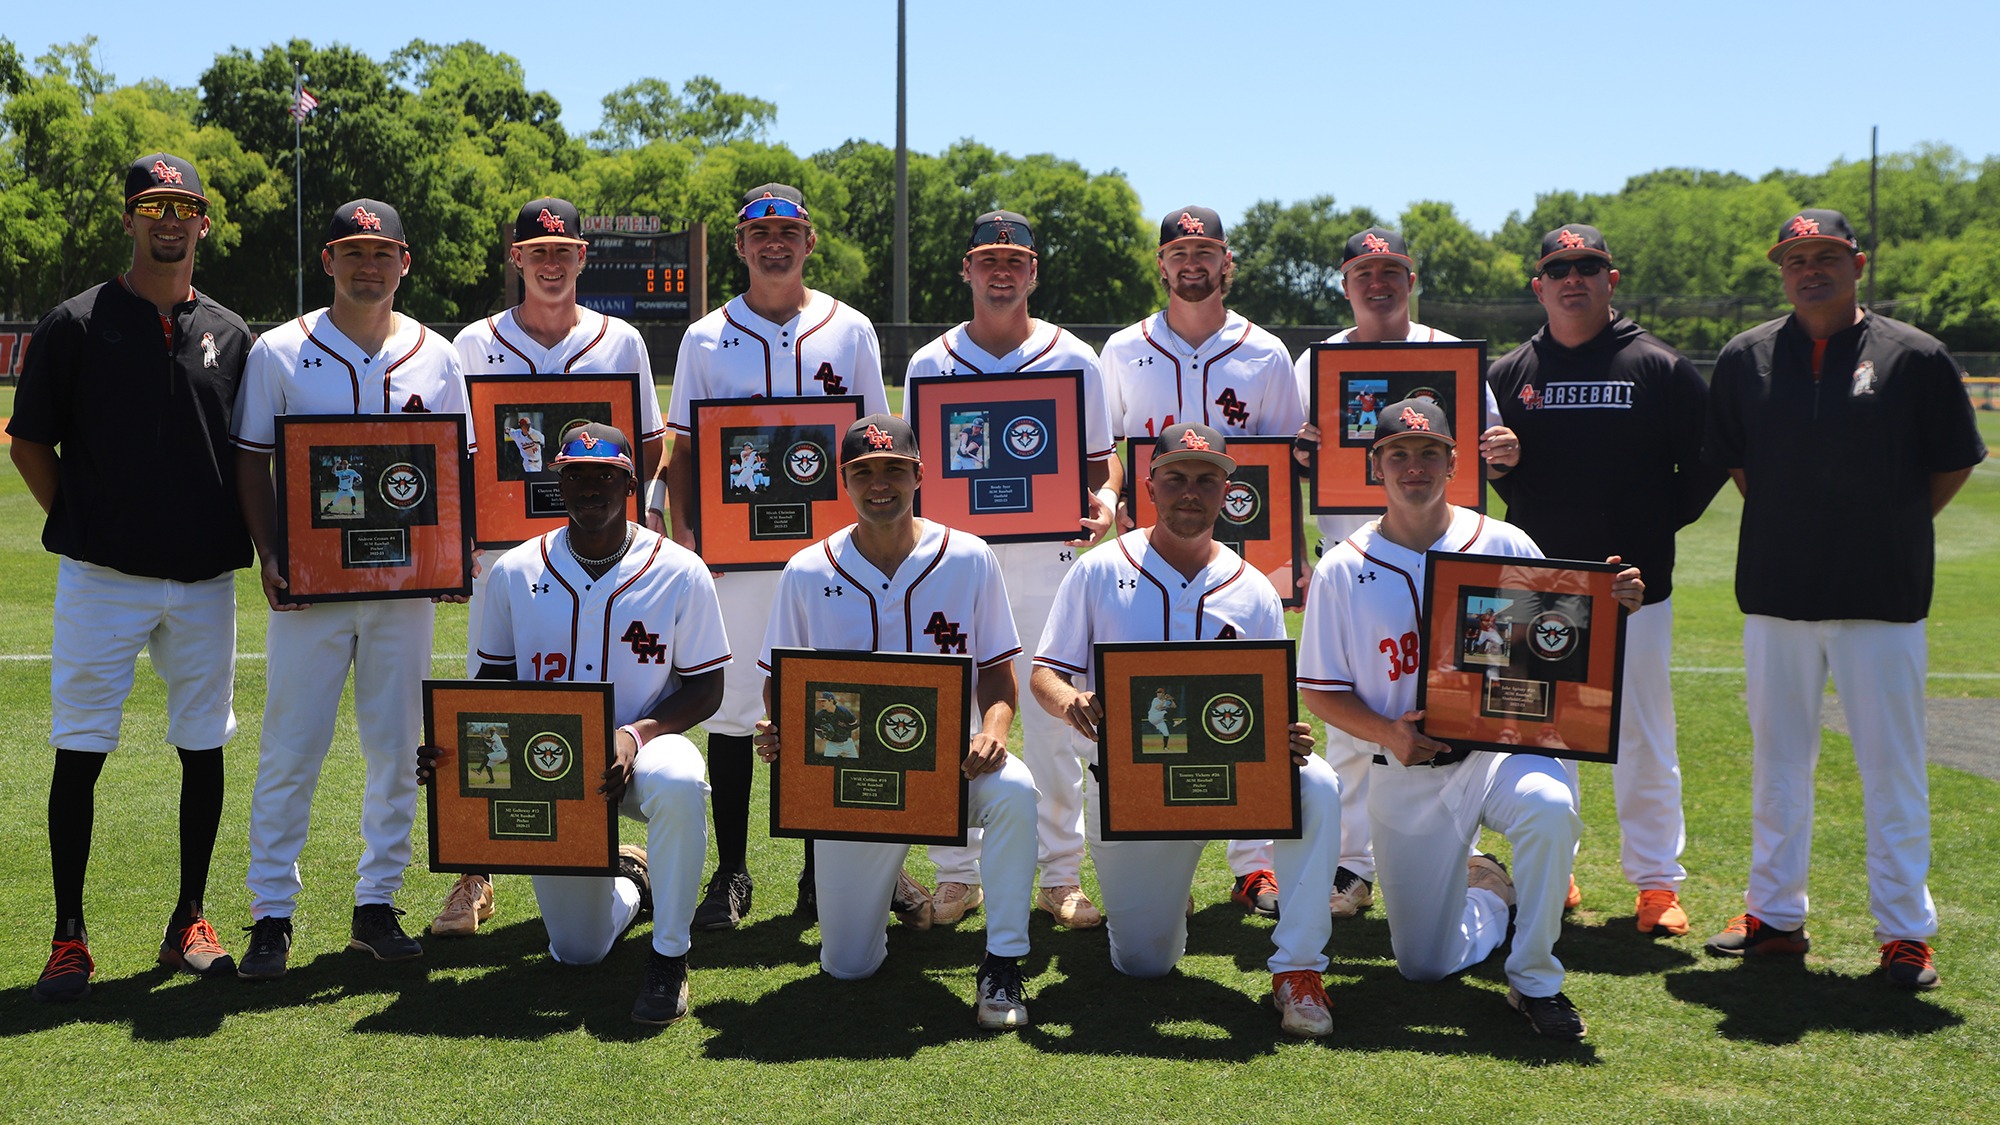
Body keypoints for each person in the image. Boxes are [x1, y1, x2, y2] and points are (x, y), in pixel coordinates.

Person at [1297, 398, 1644, 1040]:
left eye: (1430, 454)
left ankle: (1535, 979)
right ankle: (1489, 894)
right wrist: (1389, 732)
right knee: (1423, 966)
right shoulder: (1343, 567)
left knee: (1547, 805)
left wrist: (1610, 604)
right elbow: (1320, 691)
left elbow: (1555, 633)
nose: (1414, 468)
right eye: (1398, 454)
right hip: (1408, 765)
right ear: (1377, 465)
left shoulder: (1503, 540)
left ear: (1454, 462)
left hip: (1504, 751)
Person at [1701, 209, 1986, 989]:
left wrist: (1887, 523)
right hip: (1777, 593)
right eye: (1796, 258)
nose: (1810, 268)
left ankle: (1905, 933)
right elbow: (1741, 465)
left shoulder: (1915, 354)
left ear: (1858, 263)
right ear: (1782, 270)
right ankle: (1775, 916)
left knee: (1892, 767)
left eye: (1826, 255)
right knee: (1778, 762)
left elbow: (1952, 461)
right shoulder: (1746, 356)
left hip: (1881, 596)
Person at [11, 153, 254, 1001]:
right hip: (102, 577)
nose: (169, 218)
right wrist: (77, 520)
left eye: (183, 205)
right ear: (129, 218)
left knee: (203, 745)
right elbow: (30, 442)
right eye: (153, 204)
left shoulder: (233, 330)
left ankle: (189, 916)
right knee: (80, 748)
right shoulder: (75, 321)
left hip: (201, 581)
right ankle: (69, 936)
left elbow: (249, 458)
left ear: (202, 223)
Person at [230, 198, 476, 979]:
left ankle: (377, 901)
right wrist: (272, 553)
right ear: (328, 259)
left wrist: (450, 556)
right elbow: (251, 460)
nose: (367, 265)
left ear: (405, 262)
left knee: (400, 747)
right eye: (352, 251)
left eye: (382, 252)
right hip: (312, 589)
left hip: (404, 588)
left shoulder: (437, 354)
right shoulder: (278, 349)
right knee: (291, 747)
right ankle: (271, 911)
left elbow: (454, 466)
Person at [1031, 423, 1341, 1038]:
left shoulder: (1253, 589)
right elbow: (1044, 674)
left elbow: (1267, 702)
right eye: (1176, 478)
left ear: (1228, 490)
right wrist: (1073, 702)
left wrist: (1285, 737)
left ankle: (1298, 967)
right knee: (1145, 964)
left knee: (1318, 784)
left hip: (1227, 778)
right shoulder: (1097, 571)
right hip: (1132, 787)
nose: (1191, 492)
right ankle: (1162, 900)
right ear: (1149, 486)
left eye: (1207, 480)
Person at [419, 423, 728, 1024]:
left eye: (605, 475)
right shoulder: (514, 570)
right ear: (558, 480)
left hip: (645, 746)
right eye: (576, 474)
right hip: (550, 766)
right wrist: (451, 747)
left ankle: (670, 956)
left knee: (683, 784)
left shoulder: (679, 569)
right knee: (578, 952)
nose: (590, 487)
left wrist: (636, 736)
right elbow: (493, 686)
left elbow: (708, 687)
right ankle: (633, 883)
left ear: (630, 482)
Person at [1480, 223, 1728, 937]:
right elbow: (1480, 473)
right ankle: (1553, 870)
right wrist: (1505, 464)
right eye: (1558, 268)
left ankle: (1655, 883)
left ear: (1610, 280)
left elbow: (1709, 458)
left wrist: (1657, 525)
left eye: (1589, 266)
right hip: (1535, 586)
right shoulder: (1511, 372)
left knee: (1644, 737)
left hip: (1630, 588)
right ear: (1539, 284)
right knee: (1539, 736)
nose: (1573, 278)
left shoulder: (1655, 364)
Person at [752, 415, 1038, 1029]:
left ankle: (1004, 960)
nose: (879, 483)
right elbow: (781, 683)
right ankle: (895, 883)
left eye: (893, 470)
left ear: (918, 474)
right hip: (853, 779)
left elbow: (996, 671)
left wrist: (995, 727)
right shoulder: (807, 569)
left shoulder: (970, 557)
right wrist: (781, 732)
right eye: (863, 472)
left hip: (951, 761)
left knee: (1014, 788)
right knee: (848, 966)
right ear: (844, 481)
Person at [437, 196, 673, 938]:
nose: (549, 261)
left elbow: (648, 445)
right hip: (503, 557)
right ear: (516, 257)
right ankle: (474, 876)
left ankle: (600, 845)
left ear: (581, 257)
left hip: (598, 555)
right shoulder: (472, 343)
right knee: (491, 711)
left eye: (562, 250)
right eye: (536, 250)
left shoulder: (621, 340)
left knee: (589, 702)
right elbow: (454, 453)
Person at [658, 183, 891, 931]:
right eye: (760, 233)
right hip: (736, 560)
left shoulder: (850, 329)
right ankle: (731, 869)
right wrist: (690, 539)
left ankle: (822, 873)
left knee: (827, 704)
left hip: (831, 560)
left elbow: (874, 441)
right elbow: (684, 451)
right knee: (731, 711)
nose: (774, 243)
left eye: (788, 230)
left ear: (809, 241)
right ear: (740, 245)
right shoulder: (703, 337)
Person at [904, 210, 1120, 929]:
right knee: (954, 718)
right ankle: (958, 873)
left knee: (1060, 724)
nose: (1001, 270)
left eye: (1014, 260)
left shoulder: (1074, 358)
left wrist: (1111, 497)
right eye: (988, 258)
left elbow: (1101, 460)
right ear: (966, 268)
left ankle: (1060, 875)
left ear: (1033, 271)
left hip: (1049, 562)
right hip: (956, 567)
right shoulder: (929, 363)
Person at [1288, 226, 1500, 922]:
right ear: (1345, 283)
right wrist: (1298, 451)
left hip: (1450, 560)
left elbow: (1483, 442)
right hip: (1356, 558)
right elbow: (1288, 454)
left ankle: (1490, 851)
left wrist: (1503, 445)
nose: (1378, 283)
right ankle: (1356, 866)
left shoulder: (1451, 355)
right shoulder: (1312, 362)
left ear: (1411, 278)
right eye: (1364, 272)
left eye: (1392, 270)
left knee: (1465, 714)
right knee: (1356, 728)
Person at [1100, 206, 1307, 918]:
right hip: (1148, 555)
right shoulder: (1123, 348)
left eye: (1206, 250)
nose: (1192, 261)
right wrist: (1113, 501)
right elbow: (1112, 457)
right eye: (1179, 249)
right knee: (1151, 700)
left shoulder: (1267, 352)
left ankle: (1254, 864)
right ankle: (1164, 856)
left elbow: (1283, 470)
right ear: (1161, 263)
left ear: (1227, 263)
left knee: (1253, 700)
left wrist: (1292, 560)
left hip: (1243, 561)